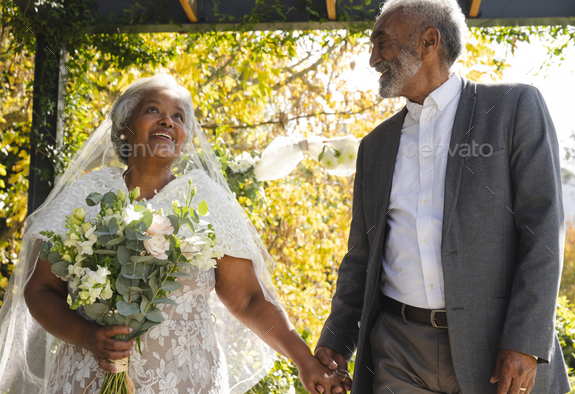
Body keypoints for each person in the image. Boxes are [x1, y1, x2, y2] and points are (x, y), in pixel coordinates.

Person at [0, 74, 345, 394]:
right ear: (124, 127)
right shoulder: (83, 197)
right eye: (153, 110)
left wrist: (304, 361)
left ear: (185, 139)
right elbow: (42, 289)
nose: (168, 121)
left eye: (179, 117)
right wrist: (87, 336)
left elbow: (250, 299)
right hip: (88, 377)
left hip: (186, 380)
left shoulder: (205, 201)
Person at [313, 0, 571, 393]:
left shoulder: (513, 108)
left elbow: (544, 229)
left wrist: (525, 342)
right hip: (397, 351)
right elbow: (361, 255)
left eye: (382, 43)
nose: (372, 59)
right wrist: (336, 338)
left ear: (428, 41)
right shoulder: (376, 146)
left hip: (493, 348)